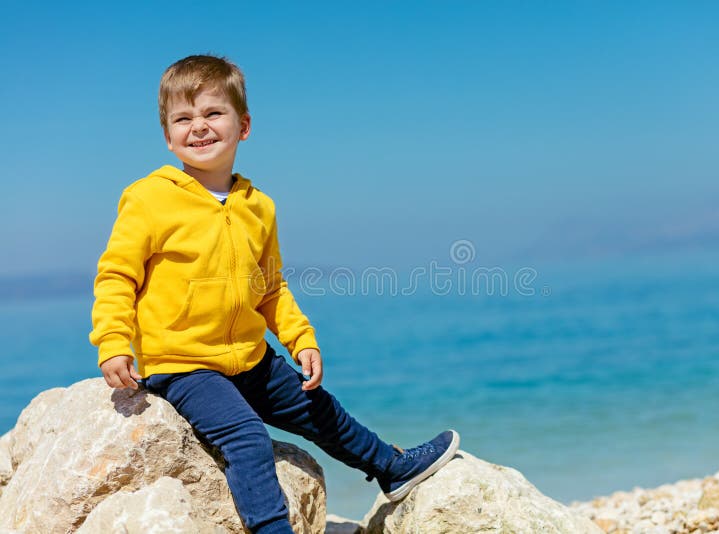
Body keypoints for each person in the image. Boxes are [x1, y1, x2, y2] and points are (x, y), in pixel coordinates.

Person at [89, 54, 459, 534]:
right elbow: (117, 276)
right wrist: (113, 341)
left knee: (321, 409)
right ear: (167, 135)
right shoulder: (148, 198)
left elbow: (270, 288)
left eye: (212, 114)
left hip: (250, 358)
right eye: (183, 119)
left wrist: (301, 339)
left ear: (243, 125)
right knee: (248, 439)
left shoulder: (258, 207)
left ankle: (392, 467)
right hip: (183, 366)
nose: (198, 127)